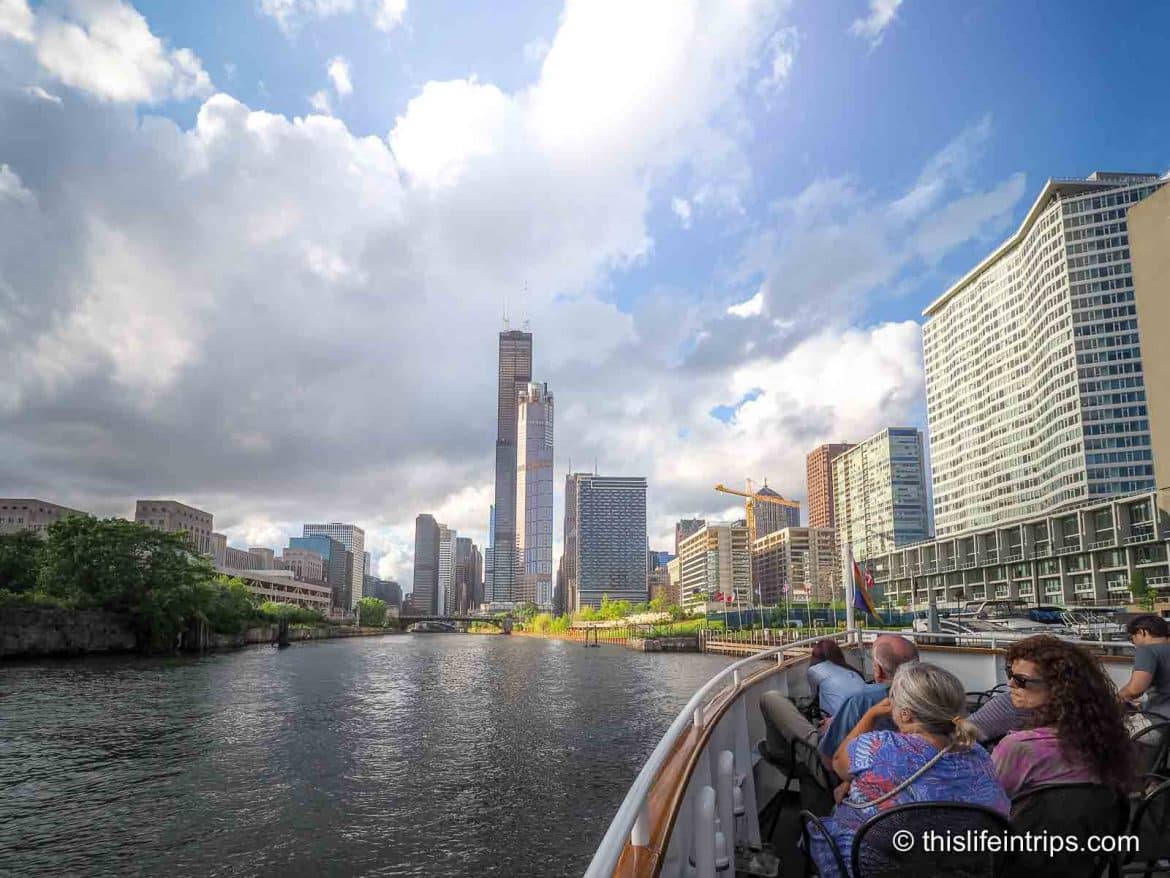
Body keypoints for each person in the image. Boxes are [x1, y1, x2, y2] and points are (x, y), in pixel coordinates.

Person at [805, 662, 1009, 877]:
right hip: (957, 866)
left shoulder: (876, 747)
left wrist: (871, 715)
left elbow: (838, 764)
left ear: (905, 714)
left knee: (824, 826)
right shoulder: (977, 753)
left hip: (877, 866)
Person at [759, 634, 919, 783]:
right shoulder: (926, 697)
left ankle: (786, 761)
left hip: (839, 772)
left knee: (770, 698)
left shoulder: (861, 701)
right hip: (899, 774)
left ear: (878, 670)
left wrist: (832, 728)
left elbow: (829, 762)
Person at [992, 635, 1133, 798]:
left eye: (1021, 680)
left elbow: (989, 806)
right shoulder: (1106, 737)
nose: (1010, 683)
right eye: (1009, 673)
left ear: (1057, 687)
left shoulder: (1019, 747)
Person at [1117, 614, 1170, 719]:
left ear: (1142, 632)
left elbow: (1135, 690)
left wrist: (1117, 698)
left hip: (1161, 720)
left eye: (1132, 639)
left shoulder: (1147, 650)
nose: (1134, 644)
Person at [807, 638, 866, 717]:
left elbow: (812, 695)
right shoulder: (854, 672)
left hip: (838, 720)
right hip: (864, 715)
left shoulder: (813, 670)